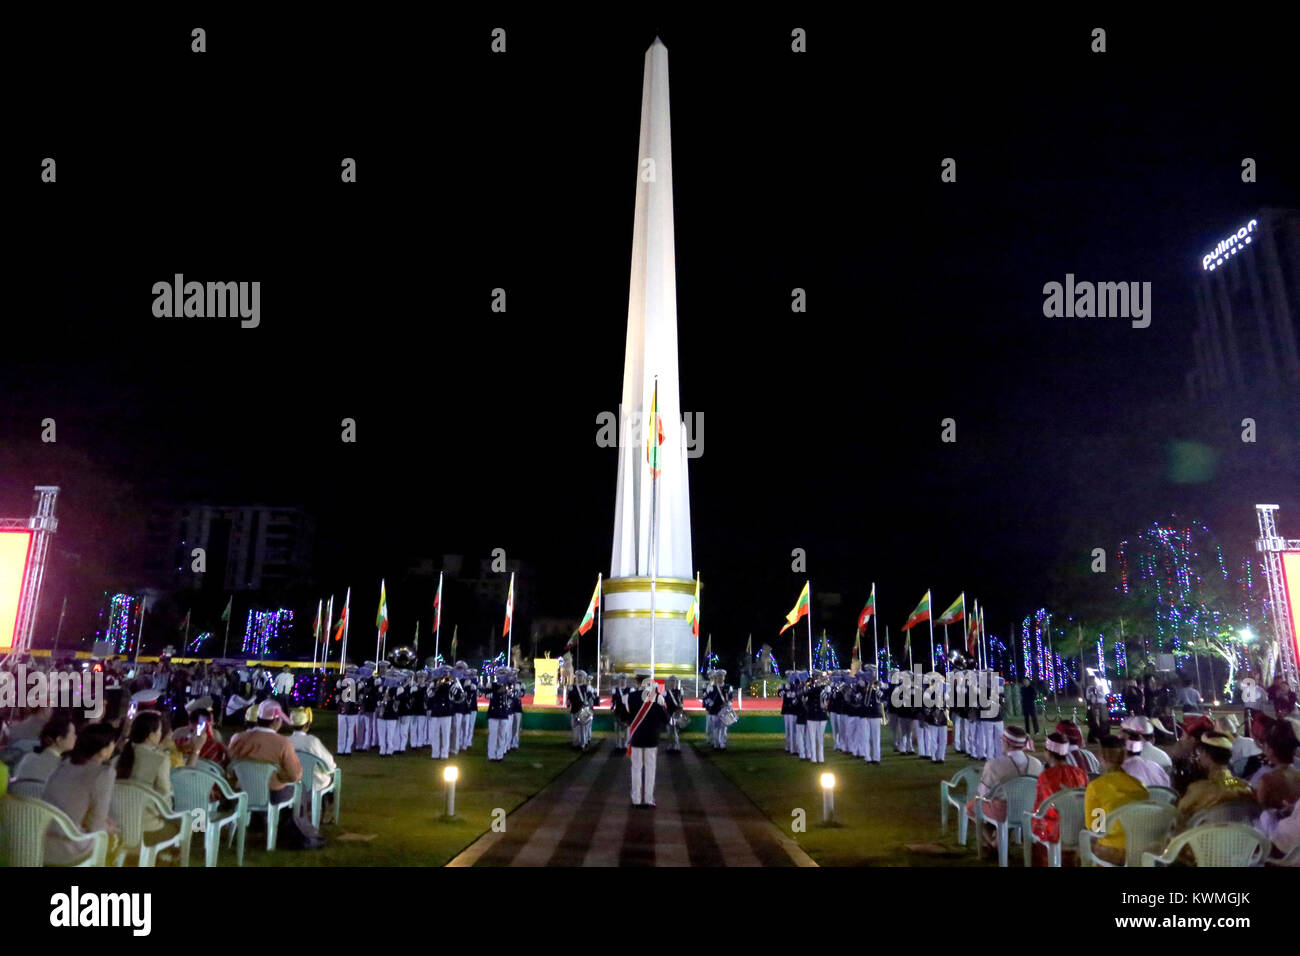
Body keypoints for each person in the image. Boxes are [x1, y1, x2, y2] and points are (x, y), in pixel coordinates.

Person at [115, 710, 199, 855]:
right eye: (160, 730)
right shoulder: (160, 759)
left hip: (117, 827)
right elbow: (165, 802)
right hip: (147, 828)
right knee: (185, 826)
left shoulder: (118, 757)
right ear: (151, 735)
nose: (162, 734)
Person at [41, 722, 121, 865]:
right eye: (112, 743)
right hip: (69, 846)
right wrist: (109, 827)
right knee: (116, 837)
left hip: (41, 842)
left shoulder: (64, 764)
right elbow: (95, 826)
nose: (114, 747)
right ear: (102, 750)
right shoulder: (103, 774)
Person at [966, 726, 1042, 849]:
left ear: (1006, 743)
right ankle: (999, 838)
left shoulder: (994, 764)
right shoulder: (1037, 764)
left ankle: (992, 841)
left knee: (971, 807)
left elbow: (984, 794)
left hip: (1003, 811)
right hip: (1029, 809)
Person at [1083, 735, 1150, 865]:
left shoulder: (1096, 787)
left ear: (1101, 756)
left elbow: (1095, 827)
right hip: (1138, 850)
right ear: (1123, 756)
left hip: (1110, 850)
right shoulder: (1138, 785)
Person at [1030, 732, 1089, 865]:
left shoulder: (1045, 776)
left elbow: (1041, 808)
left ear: (1048, 753)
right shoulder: (1080, 773)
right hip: (1080, 825)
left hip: (1056, 829)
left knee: (1033, 822)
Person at [1176, 734, 1259, 824]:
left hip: (1203, 836)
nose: (1198, 758)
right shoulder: (1243, 786)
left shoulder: (1198, 790)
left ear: (1207, 755)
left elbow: (1179, 814)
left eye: (1200, 752)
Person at [288, 707, 337, 818]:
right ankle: (325, 809)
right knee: (332, 776)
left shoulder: (285, 741)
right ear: (307, 725)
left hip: (291, 784)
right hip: (313, 784)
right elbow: (330, 765)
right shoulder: (312, 741)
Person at [628, 677, 670, 808]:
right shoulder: (658, 698)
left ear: (638, 682)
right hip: (652, 738)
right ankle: (648, 799)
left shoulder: (630, 697)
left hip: (636, 738)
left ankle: (636, 800)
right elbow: (666, 719)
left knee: (636, 769)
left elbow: (625, 717)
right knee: (650, 770)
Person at [13, 714, 77, 791]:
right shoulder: (62, 767)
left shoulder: (27, 757)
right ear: (59, 739)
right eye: (73, 733)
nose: (75, 737)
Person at [485, 669, 513, 762]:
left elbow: (511, 696)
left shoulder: (509, 686)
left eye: (504, 674)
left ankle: (499, 755)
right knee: (493, 735)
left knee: (502, 735)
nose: (502, 677)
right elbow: (487, 696)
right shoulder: (492, 685)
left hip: (503, 713)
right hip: (494, 712)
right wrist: (497, 692)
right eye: (501, 674)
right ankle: (491, 755)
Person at [802, 672, 828, 763]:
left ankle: (820, 758)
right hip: (813, 715)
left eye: (819, 679)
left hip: (820, 715)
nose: (817, 681)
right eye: (816, 679)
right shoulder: (810, 690)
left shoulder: (823, 690)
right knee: (812, 738)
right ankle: (814, 757)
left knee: (820, 738)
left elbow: (825, 699)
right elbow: (804, 700)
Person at [862, 670, 883, 764]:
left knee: (876, 737)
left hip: (875, 713)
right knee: (866, 737)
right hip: (866, 713)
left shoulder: (878, 685)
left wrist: (876, 688)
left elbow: (882, 697)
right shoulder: (862, 686)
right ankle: (867, 757)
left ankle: (876, 757)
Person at [663, 676, 685, 753]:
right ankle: (669, 745)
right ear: (669, 682)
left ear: (676, 682)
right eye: (671, 681)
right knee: (669, 731)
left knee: (676, 731)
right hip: (669, 714)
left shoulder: (679, 692)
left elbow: (682, 703)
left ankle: (676, 746)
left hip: (676, 713)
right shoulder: (665, 692)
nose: (672, 683)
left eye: (674, 681)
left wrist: (680, 712)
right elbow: (663, 704)